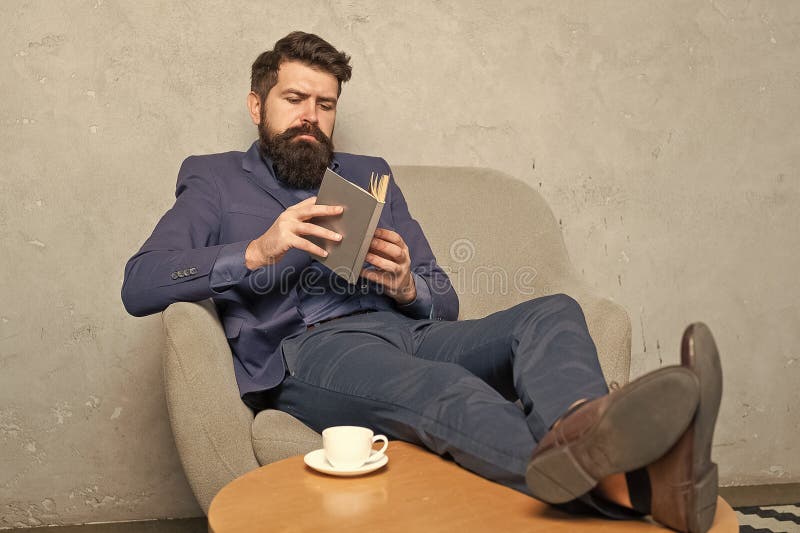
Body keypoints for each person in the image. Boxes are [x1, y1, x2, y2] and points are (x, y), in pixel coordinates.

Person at [122, 31, 722, 532]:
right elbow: (140, 283)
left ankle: (587, 428)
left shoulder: (368, 175)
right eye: (294, 98)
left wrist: (410, 284)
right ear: (258, 106)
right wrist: (256, 250)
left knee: (553, 310)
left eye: (325, 104)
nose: (311, 117)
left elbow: (445, 298)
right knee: (446, 389)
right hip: (311, 351)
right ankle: (642, 484)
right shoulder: (214, 180)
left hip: (403, 329)